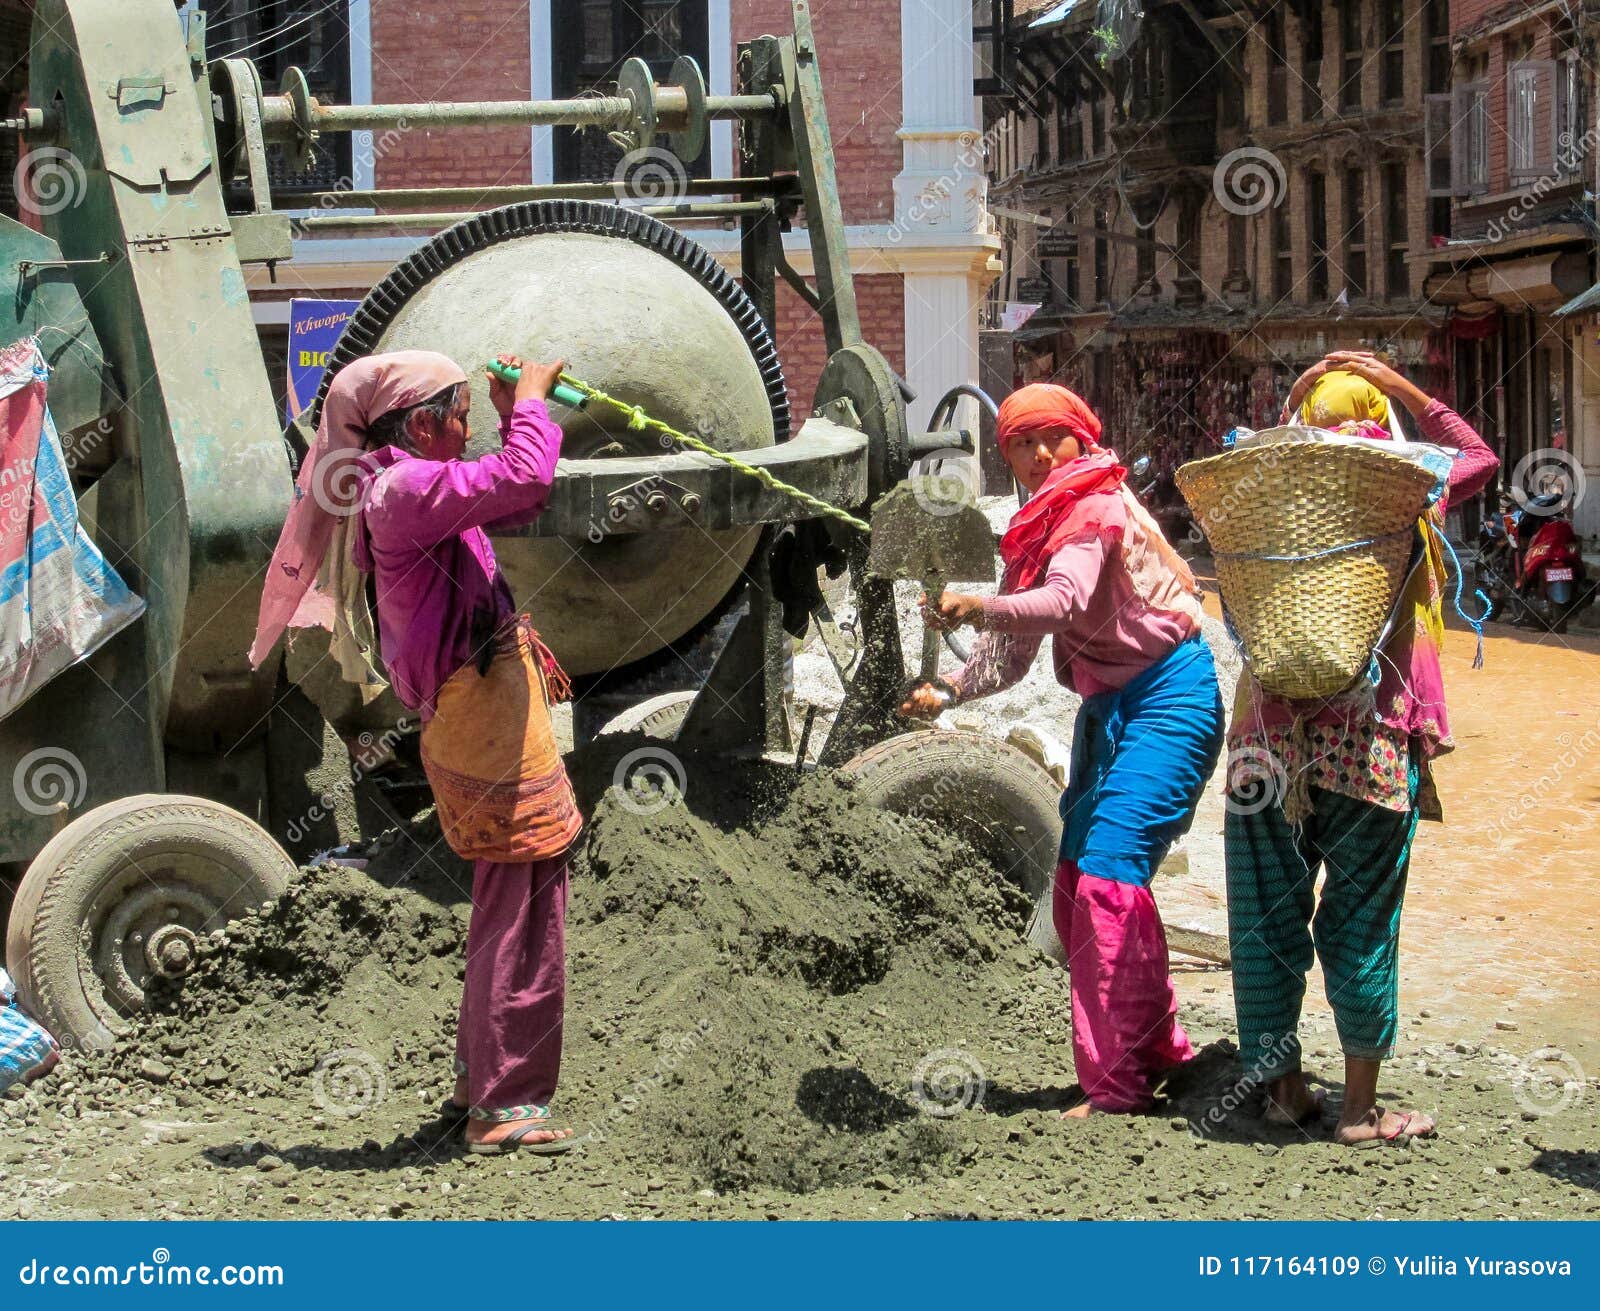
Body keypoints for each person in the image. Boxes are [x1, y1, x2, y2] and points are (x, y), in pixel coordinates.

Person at [250, 350, 583, 1154]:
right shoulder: (403, 492)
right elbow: (526, 479)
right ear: (423, 423)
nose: (468, 428)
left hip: (483, 710)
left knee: (515, 894)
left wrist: (512, 413)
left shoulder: (407, 487)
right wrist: (532, 402)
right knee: (525, 904)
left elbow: (501, 477)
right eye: (461, 411)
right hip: (482, 721)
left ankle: (483, 1080)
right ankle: (503, 1102)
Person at [901, 383, 1224, 1116]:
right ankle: (1153, 1051)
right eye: (1023, 443)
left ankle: (1117, 1087)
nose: (1042, 453)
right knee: (1077, 881)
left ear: (1083, 436)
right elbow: (1011, 658)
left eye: (1055, 437)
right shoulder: (1037, 524)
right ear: (1007, 454)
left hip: (1171, 697)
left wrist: (978, 601)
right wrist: (948, 690)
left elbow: (1066, 603)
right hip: (1107, 708)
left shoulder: (1093, 508)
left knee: (1110, 873)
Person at [1224, 350, 1499, 1145]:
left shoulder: (1266, 498)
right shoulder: (1406, 488)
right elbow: (1477, 454)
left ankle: (1282, 1090)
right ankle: (1358, 1109)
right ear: (1381, 425)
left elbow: (1255, 457)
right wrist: (1399, 383)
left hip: (1265, 745)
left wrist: (1293, 406)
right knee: (1362, 918)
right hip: (1368, 741)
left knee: (1262, 916)